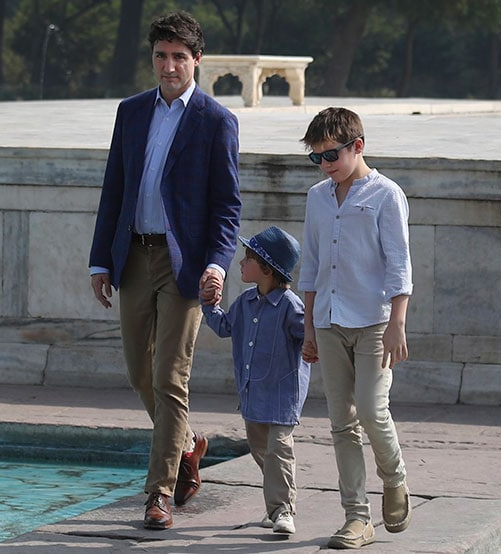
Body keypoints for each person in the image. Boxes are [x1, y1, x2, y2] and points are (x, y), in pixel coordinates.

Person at [88, 11, 242, 531]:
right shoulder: (131, 111)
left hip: (186, 267)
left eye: (179, 57)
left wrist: (217, 264)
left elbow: (227, 207)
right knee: (140, 372)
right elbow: (114, 188)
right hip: (133, 256)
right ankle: (189, 444)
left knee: (170, 376)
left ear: (197, 60)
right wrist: (100, 259)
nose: (169, 66)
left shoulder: (216, 121)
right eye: (161, 56)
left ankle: (159, 493)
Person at [298, 107, 413, 549]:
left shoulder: (386, 194)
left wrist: (398, 322)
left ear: (357, 146)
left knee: (371, 410)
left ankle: (394, 477)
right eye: (317, 158)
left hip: (375, 322)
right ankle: (357, 517)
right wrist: (309, 327)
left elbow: (399, 264)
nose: (325, 164)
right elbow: (310, 266)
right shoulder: (317, 198)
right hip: (328, 322)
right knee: (341, 423)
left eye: (331, 155)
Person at [200, 226, 310, 536]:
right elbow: (224, 327)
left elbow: (309, 336)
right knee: (262, 452)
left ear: (266, 269)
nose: (240, 263)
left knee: (279, 450)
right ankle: (277, 503)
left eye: (247, 258)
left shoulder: (290, 306)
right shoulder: (244, 303)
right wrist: (209, 305)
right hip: (252, 394)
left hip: (282, 395)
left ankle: (283, 510)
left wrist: (316, 342)